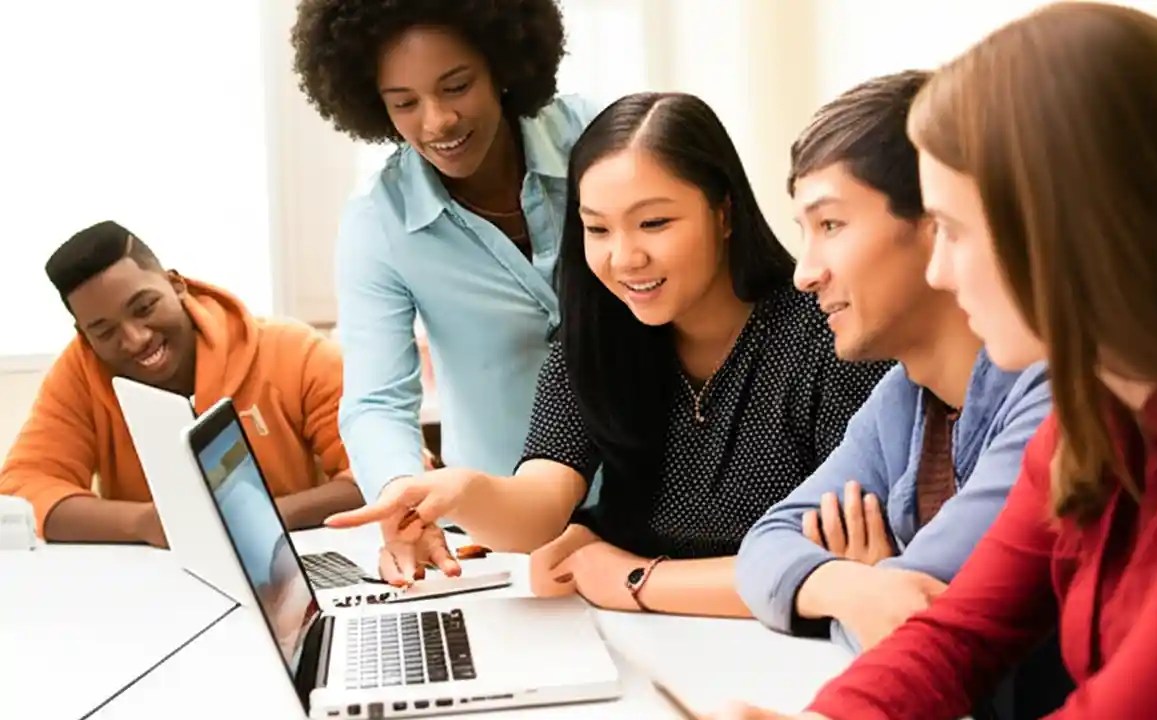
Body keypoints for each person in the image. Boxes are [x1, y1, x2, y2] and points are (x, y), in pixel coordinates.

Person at [714, 3, 1157, 719]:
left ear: (1059, 227)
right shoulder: (1095, 417)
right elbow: (956, 636)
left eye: (952, 231)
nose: (940, 273)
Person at [328, 92, 894, 618]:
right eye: (597, 229)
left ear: (723, 213)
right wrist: (462, 493)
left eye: (654, 223)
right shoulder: (597, 340)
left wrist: (632, 578)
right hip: (643, 639)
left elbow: (832, 567)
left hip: (784, 651)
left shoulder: (830, 337)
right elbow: (539, 505)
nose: (624, 258)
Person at [735, 71, 1051, 655]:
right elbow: (764, 546)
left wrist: (875, 583)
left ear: (936, 224)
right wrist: (852, 588)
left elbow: (921, 621)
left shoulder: (1048, 396)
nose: (805, 273)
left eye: (831, 225)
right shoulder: (902, 398)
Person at [291, 0, 598, 517]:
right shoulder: (379, 222)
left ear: (501, 64)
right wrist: (401, 496)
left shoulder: (595, 138)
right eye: (404, 102)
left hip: (657, 504)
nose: (437, 121)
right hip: (503, 526)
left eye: (456, 86)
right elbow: (377, 402)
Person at [0, 221, 362, 546]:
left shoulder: (293, 351)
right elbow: (22, 488)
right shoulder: (81, 370)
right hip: (155, 578)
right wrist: (143, 523)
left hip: (291, 564)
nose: (136, 339)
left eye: (144, 308)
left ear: (177, 285)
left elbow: (377, 472)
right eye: (105, 332)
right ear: (84, 335)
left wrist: (259, 520)